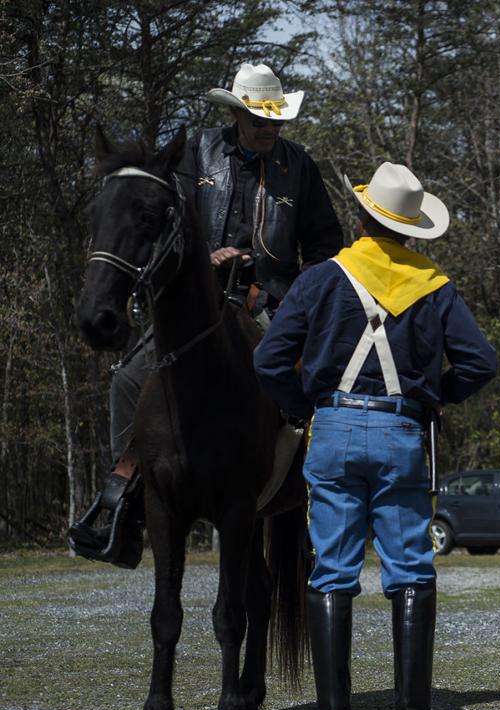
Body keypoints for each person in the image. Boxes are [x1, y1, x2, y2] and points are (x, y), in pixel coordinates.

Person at [254, 161, 497, 710]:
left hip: (333, 428)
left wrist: (305, 405)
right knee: (410, 572)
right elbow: (480, 362)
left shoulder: (319, 278)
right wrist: (437, 393)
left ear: (361, 219)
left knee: (332, 573)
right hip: (400, 431)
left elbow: (270, 359)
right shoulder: (434, 285)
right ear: (412, 229)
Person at [70, 63, 344, 564]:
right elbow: (169, 224)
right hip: (199, 303)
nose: (269, 128)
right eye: (259, 119)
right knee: (128, 379)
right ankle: (123, 504)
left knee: (307, 389)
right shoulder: (196, 153)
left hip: (272, 304)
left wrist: (288, 289)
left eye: (275, 121)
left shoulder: (299, 166)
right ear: (237, 114)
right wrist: (205, 257)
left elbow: (327, 247)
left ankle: (322, 492)